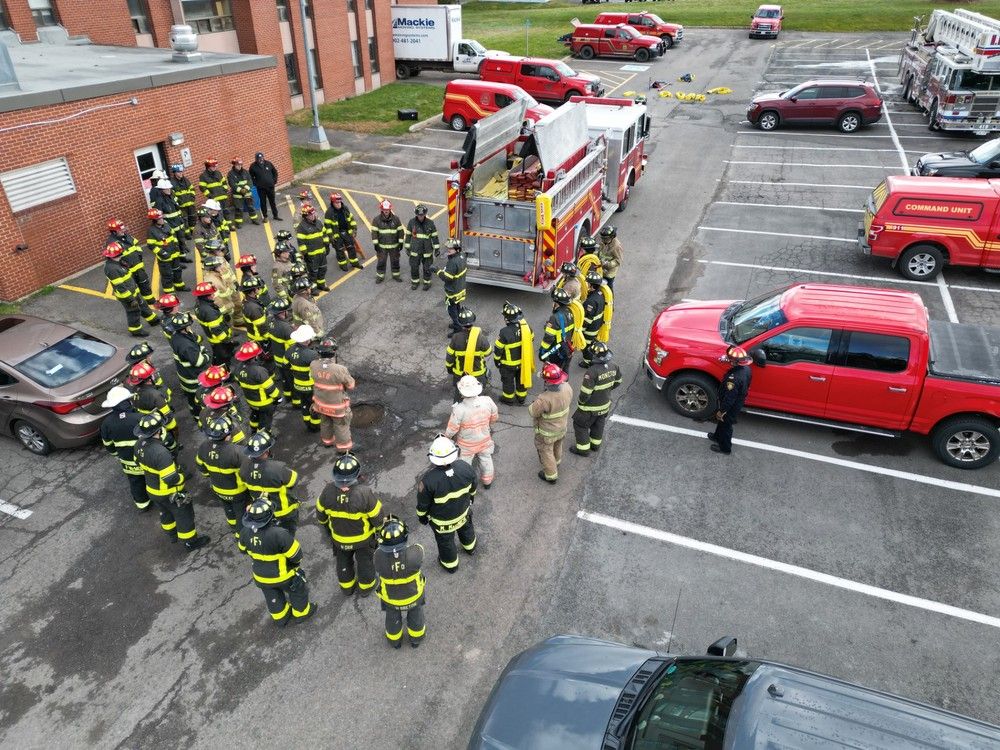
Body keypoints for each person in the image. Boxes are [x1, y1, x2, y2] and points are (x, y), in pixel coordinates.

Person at [134, 411, 211, 551]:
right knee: (184, 514)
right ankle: (190, 542)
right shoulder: (161, 453)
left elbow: (137, 463)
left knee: (165, 513)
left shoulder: (139, 444)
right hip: (169, 492)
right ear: (158, 430)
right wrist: (181, 477)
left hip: (152, 490)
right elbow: (170, 478)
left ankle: (172, 535)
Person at [237, 495, 317, 627]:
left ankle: (281, 618)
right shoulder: (279, 534)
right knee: (297, 590)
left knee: (272, 596)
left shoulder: (244, 532)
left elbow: (242, 549)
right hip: (283, 575)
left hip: (260, 577)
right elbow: (296, 554)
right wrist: (296, 566)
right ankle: (301, 614)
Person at [315, 453, 383, 596]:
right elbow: (378, 518)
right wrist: (379, 532)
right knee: (365, 562)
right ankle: (366, 588)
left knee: (343, 562)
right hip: (363, 540)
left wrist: (328, 530)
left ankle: (347, 588)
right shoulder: (365, 493)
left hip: (339, 540)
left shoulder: (327, 491)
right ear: (357, 475)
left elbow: (321, 515)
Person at [416, 435, 477, 572]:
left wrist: (422, 517)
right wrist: (470, 499)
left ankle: (451, 565)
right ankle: (470, 548)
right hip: (463, 513)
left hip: (443, 523)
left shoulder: (428, 481)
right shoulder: (465, 467)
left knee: (446, 543)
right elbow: (473, 488)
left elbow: (422, 505)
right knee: (467, 530)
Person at [373, 515, 426, 649]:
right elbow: (419, 548)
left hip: (391, 600)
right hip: (413, 597)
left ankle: (395, 642)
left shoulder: (378, 557)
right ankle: (416, 640)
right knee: (416, 617)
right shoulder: (415, 553)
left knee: (392, 620)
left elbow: (380, 552)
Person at [195, 415, 251, 531]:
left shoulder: (204, 447)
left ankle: (232, 525)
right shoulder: (237, 452)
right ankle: (240, 534)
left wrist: (211, 475)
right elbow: (247, 474)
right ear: (228, 435)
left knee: (228, 509)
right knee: (241, 513)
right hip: (238, 492)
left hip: (218, 488)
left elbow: (201, 467)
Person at [240, 431, 302, 534]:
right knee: (287, 534)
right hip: (283, 511)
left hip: (261, 512)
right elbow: (293, 480)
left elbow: (243, 482)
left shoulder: (244, 467)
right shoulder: (278, 468)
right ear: (267, 450)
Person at [100, 386, 150, 512]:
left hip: (128, 462)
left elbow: (108, 445)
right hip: (146, 458)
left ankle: (143, 505)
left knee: (136, 483)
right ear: (127, 402)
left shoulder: (106, 423)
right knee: (153, 478)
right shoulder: (139, 417)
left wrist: (117, 455)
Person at [445, 375, 498, 488]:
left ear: (461, 391)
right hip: (484, 439)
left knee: (464, 465)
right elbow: (494, 417)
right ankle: (487, 482)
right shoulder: (487, 401)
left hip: (466, 444)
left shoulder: (459, 409)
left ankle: (465, 485)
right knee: (486, 460)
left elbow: (452, 428)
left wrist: (446, 438)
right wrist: (487, 425)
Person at [570, 342, 622, 456]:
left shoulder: (592, 372)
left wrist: (581, 402)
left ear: (594, 356)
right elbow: (618, 382)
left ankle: (583, 450)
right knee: (598, 424)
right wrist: (605, 391)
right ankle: (595, 445)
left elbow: (585, 393)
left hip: (589, 408)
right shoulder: (614, 366)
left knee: (580, 425)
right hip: (605, 405)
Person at [528, 363, 573, 484]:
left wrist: (534, 403)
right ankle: (556, 461)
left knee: (546, 451)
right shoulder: (567, 388)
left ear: (547, 382)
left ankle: (550, 475)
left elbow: (533, 412)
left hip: (547, 433)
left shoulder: (544, 399)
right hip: (562, 428)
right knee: (558, 444)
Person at [102, 242, 159, 337]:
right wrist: (131, 299)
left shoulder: (117, 263)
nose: (121, 256)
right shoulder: (112, 269)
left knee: (143, 305)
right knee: (133, 311)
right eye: (119, 255)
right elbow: (120, 286)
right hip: (127, 296)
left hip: (133, 291)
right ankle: (136, 330)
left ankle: (153, 320)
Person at [310, 336, 356, 452]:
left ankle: (327, 442)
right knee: (341, 426)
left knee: (325, 423)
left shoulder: (313, 365)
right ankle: (343, 449)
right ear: (334, 352)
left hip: (320, 404)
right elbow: (351, 385)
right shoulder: (339, 369)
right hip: (337, 407)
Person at [128, 361, 179, 454]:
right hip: (160, 422)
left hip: (146, 422)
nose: (154, 376)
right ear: (148, 379)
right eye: (152, 375)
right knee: (171, 435)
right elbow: (167, 414)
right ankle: (174, 447)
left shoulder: (134, 390)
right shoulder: (155, 395)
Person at [710, 345, 753, 456]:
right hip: (738, 399)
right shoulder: (747, 369)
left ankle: (725, 448)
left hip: (731, 405)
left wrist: (721, 411)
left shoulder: (733, 379)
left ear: (735, 362)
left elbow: (729, 399)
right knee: (722, 421)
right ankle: (716, 436)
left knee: (726, 425)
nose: (728, 360)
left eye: (730, 359)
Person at [168, 312, 212, 415]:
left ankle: (195, 414)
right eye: (188, 325)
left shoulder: (175, 337)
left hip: (186, 376)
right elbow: (199, 361)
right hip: (194, 379)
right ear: (185, 327)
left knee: (192, 400)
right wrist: (206, 353)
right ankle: (200, 416)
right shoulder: (186, 345)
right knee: (199, 400)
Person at [493, 300, 535, 405]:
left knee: (508, 382)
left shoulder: (504, 332)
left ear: (506, 319)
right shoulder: (527, 328)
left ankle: (508, 399)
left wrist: (497, 360)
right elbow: (532, 339)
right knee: (521, 381)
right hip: (523, 363)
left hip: (508, 365)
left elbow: (498, 349)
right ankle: (521, 398)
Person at [234, 341, 281, 432]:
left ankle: (253, 429)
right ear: (255, 357)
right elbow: (270, 388)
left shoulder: (238, 368)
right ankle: (264, 436)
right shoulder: (259, 371)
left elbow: (238, 382)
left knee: (255, 414)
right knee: (266, 420)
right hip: (264, 403)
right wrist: (277, 397)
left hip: (250, 400)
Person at [445, 307, 490, 401]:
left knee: (459, 396)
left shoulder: (455, 338)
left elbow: (450, 357)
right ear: (473, 321)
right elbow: (488, 352)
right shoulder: (481, 337)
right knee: (478, 396)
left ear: (460, 323)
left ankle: (459, 412)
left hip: (460, 374)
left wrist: (449, 369)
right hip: (478, 373)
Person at [106, 218, 153, 304]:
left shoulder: (126, 236)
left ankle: (150, 300)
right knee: (134, 287)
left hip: (138, 266)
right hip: (128, 271)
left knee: (144, 283)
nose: (123, 230)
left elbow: (136, 243)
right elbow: (114, 259)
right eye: (120, 229)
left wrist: (139, 254)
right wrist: (124, 266)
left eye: (122, 228)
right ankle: (140, 303)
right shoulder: (112, 243)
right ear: (114, 232)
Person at [193, 281, 236, 366]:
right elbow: (216, 329)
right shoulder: (209, 311)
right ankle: (224, 375)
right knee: (223, 359)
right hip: (219, 340)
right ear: (206, 296)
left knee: (219, 354)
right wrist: (227, 340)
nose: (213, 295)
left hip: (213, 338)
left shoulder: (199, 305)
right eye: (211, 294)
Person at [287, 324, 320, 432]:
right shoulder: (312, 355)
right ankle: (315, 426)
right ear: (306, 340)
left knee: (304, 405)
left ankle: (307, 423)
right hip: (311, 387)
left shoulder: (290, 350)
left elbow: (285, 365)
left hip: (297, 385)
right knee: (315, 406)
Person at [146, 208, 185, 293]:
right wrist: (162, 253)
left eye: (162, 218)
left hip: (174, 253)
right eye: (160, 219)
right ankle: (169, 292)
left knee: (177, 270)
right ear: (155, 220)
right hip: (165, 257)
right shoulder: (151, 231)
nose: (162, 219)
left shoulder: (166, 225)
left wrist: (176, 246)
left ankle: (179, 286)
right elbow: (151, 245)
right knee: (167, 275)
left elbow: (173, 235)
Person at [539, 287, 577, 371]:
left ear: (556, 303)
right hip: (568, 348)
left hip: (556, 352)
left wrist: (542, 353)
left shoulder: (555, 318)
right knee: (564, 372)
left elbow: (548, 338)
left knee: (553, 375)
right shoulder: (570, 312)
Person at [404, 204, 440, 291]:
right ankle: (415, 282)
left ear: (425, 214)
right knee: (414, 267)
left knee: (427, 268)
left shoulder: (430, 223)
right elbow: (408, 236)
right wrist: (407, 248)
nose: (421, 216)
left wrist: (437, 249)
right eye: (419, 215)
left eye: (422, 215)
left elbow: (434, 236)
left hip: (427, 251)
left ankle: (427, 283)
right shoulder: (411, 222)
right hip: (415, 250)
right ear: (416, 214)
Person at [296, 203, 331, 291]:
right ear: (305, 216)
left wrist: (327, 245)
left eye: (313, 213)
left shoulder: (318, 222)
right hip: (312, 255)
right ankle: (313, 288)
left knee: (323, 269)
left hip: (321, 252)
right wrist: (305, 254)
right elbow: (301, 243)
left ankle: (321, 284)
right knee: (313, 272)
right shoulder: (301, 227)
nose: (312, 215)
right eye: (310, 214)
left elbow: (324, 234)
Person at [324, 192, 361, 272]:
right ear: (332, 202)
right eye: (336, 203)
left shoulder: (345, 208)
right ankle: (343, 265)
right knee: (339, 250)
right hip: (336, 234)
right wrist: (331, 236)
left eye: (339, 202)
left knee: (351, 247)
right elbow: (328, 226)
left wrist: (354, 229)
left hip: (347, 232)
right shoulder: (329, 213)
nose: (339, 204)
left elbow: (351, 219)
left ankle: (354, 263)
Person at [265, 298, 295, 400]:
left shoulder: (270, 322)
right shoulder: (286, 328)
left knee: (284, 379)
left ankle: (288, 396)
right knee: (291, 380)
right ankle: (296, 402)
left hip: (277, 358)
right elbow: (292, 347)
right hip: (286, 360)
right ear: (283, 312)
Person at [436, 239, 467, 335]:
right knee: (457, 306)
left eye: (451, 248)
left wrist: (437, 271)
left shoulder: (453, 262)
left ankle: (458, 328)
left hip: (453, 291)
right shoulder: (462, 256)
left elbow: (447, 278)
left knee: (451, 310)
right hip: (460, 288)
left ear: (457, 249)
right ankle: (458, 322)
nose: (448, 250)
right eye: (448, 248)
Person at [370, 199, 404, 283]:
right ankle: (380, 277)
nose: (386, 211)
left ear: (390, 209)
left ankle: (396, 275)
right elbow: (374, 233)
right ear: (381, 209)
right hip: (382, 247)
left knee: (395, 261)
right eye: (384, 209)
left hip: (394, 246)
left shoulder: (396, 219)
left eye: (387, 209)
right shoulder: (376, 220)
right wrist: (376, 244)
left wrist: (400, 242)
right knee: (381, 262)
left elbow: (400, 231)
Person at [579, 269, 606, 368]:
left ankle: (587, 362)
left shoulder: (590, 301)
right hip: (598, 324)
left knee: (586, 346)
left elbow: (587, 320)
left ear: (591, 285)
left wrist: (580, 331)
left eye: (588, 283)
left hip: (591, 328)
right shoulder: (600, 294)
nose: (586, 284)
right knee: (592, 341)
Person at [227, 158, 260, 227]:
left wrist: (246, 189)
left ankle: (254, 219)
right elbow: (232, 184)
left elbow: (250, 181)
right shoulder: (231, 174)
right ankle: (238, 223)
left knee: (251, 207)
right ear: (234, 165)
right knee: (239, 209)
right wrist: (240, 190)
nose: (239, 166)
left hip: (247, 193)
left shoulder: (245, 171)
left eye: (240, 164)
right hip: (238, 195)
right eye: (237, 165)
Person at [249, 152, 280, 221]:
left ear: (263, 157)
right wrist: (256, 183)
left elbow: (275, 172)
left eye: (261, 158)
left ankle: (275, 215)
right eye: (259, 158)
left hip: (270, 187)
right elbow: (250, 177)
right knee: (263, 203)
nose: (260, 159)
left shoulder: (268, 163)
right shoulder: (253, 166)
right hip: (261, 188)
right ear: (256, 159)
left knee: (272, 202)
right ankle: (265, 217)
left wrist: (274, 181)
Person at [169, 164, 197, 238]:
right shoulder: (172, 183)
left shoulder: (186, 180)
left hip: (190, 204)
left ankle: (193, 232)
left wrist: (192, 198)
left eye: (181, 172)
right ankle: (187, 234)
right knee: (185, 220)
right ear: (174, 173)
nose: (181, 173)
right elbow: (172, 195)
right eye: (179, 172)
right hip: (181, 206)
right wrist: (178, 202)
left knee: (193, 218)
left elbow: (192, 189)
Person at [597, 225, 623, 291]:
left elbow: (618, 261)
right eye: (602, 238)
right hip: (600, 268)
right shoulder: (603, 241)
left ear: (612, 237)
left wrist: (607, 264)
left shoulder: (616, 246)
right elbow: (599, 251)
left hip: (609, 273)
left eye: (606, 239)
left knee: (608, 288)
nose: (603, 240)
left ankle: (611, 301)